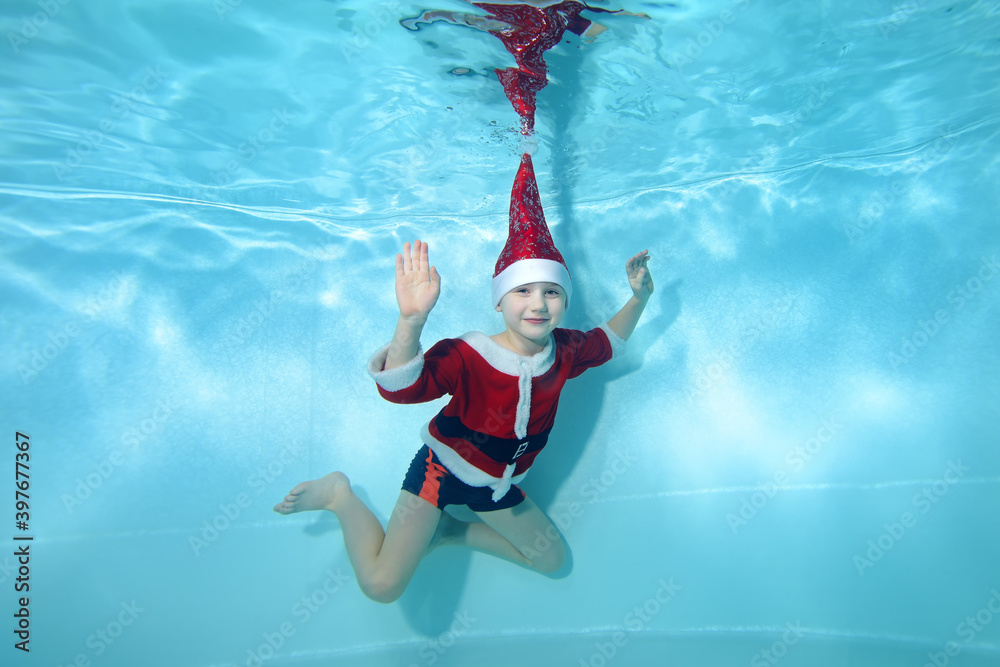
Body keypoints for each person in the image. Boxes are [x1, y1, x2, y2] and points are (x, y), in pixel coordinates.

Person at [274, 154, 653, 604]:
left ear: (564, 301)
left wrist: (640, 298)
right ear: (499, 301)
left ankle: (447, 533)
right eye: (522, 291)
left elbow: (608, 341)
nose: (538, 304)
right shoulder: (468, 352)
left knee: (552, 563)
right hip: (440, 472)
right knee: (381, 585)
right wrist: (411, 322)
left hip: (497, 486)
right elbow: (401, 388)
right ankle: (340, 495)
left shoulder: (566, 349)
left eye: (551, 292)